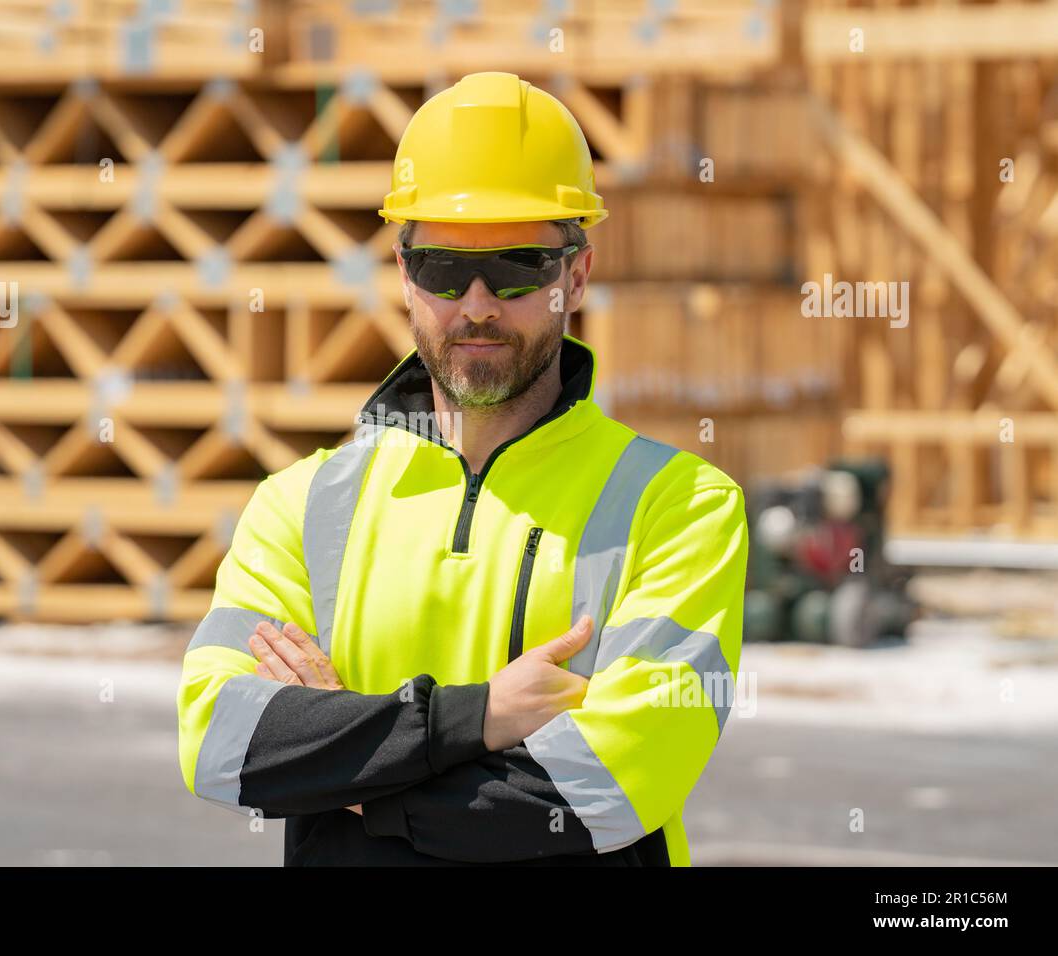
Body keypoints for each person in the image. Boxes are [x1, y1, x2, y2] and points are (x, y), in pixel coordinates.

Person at [177, 71, 749, 866]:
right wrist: (476, 718)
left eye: (517, 267)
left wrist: (344, 767)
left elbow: (605, 793)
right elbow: (223, 745)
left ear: (574, 277)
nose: (477, 303)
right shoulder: (299, 506)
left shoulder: (680, 507)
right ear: (405, 274)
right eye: (445, 268)